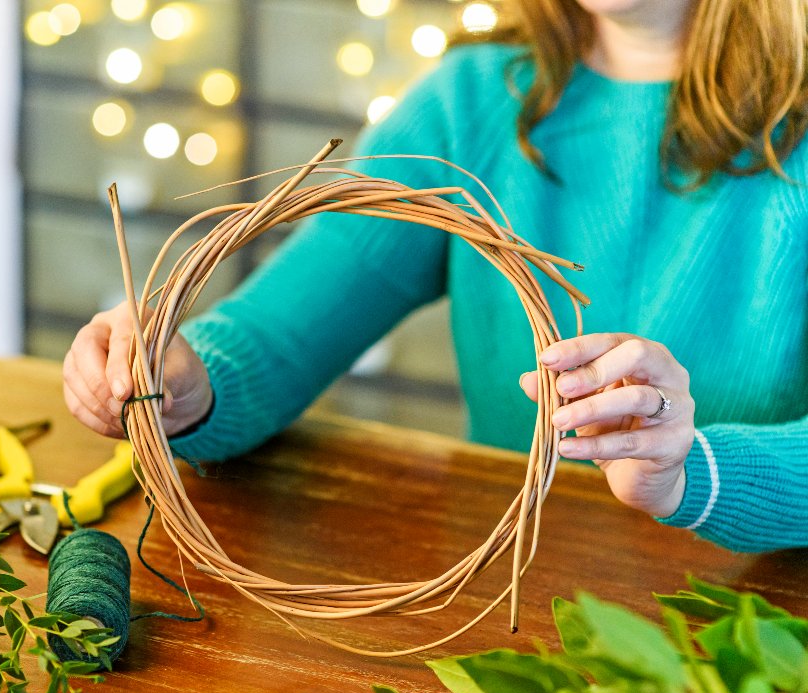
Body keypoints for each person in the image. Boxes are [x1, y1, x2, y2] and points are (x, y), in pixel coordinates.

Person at [64, 0, 808, 553]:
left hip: (757, 639)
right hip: (520, 605)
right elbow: (281, 332)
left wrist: (695, 473)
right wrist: (188, 385)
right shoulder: (473, 100)